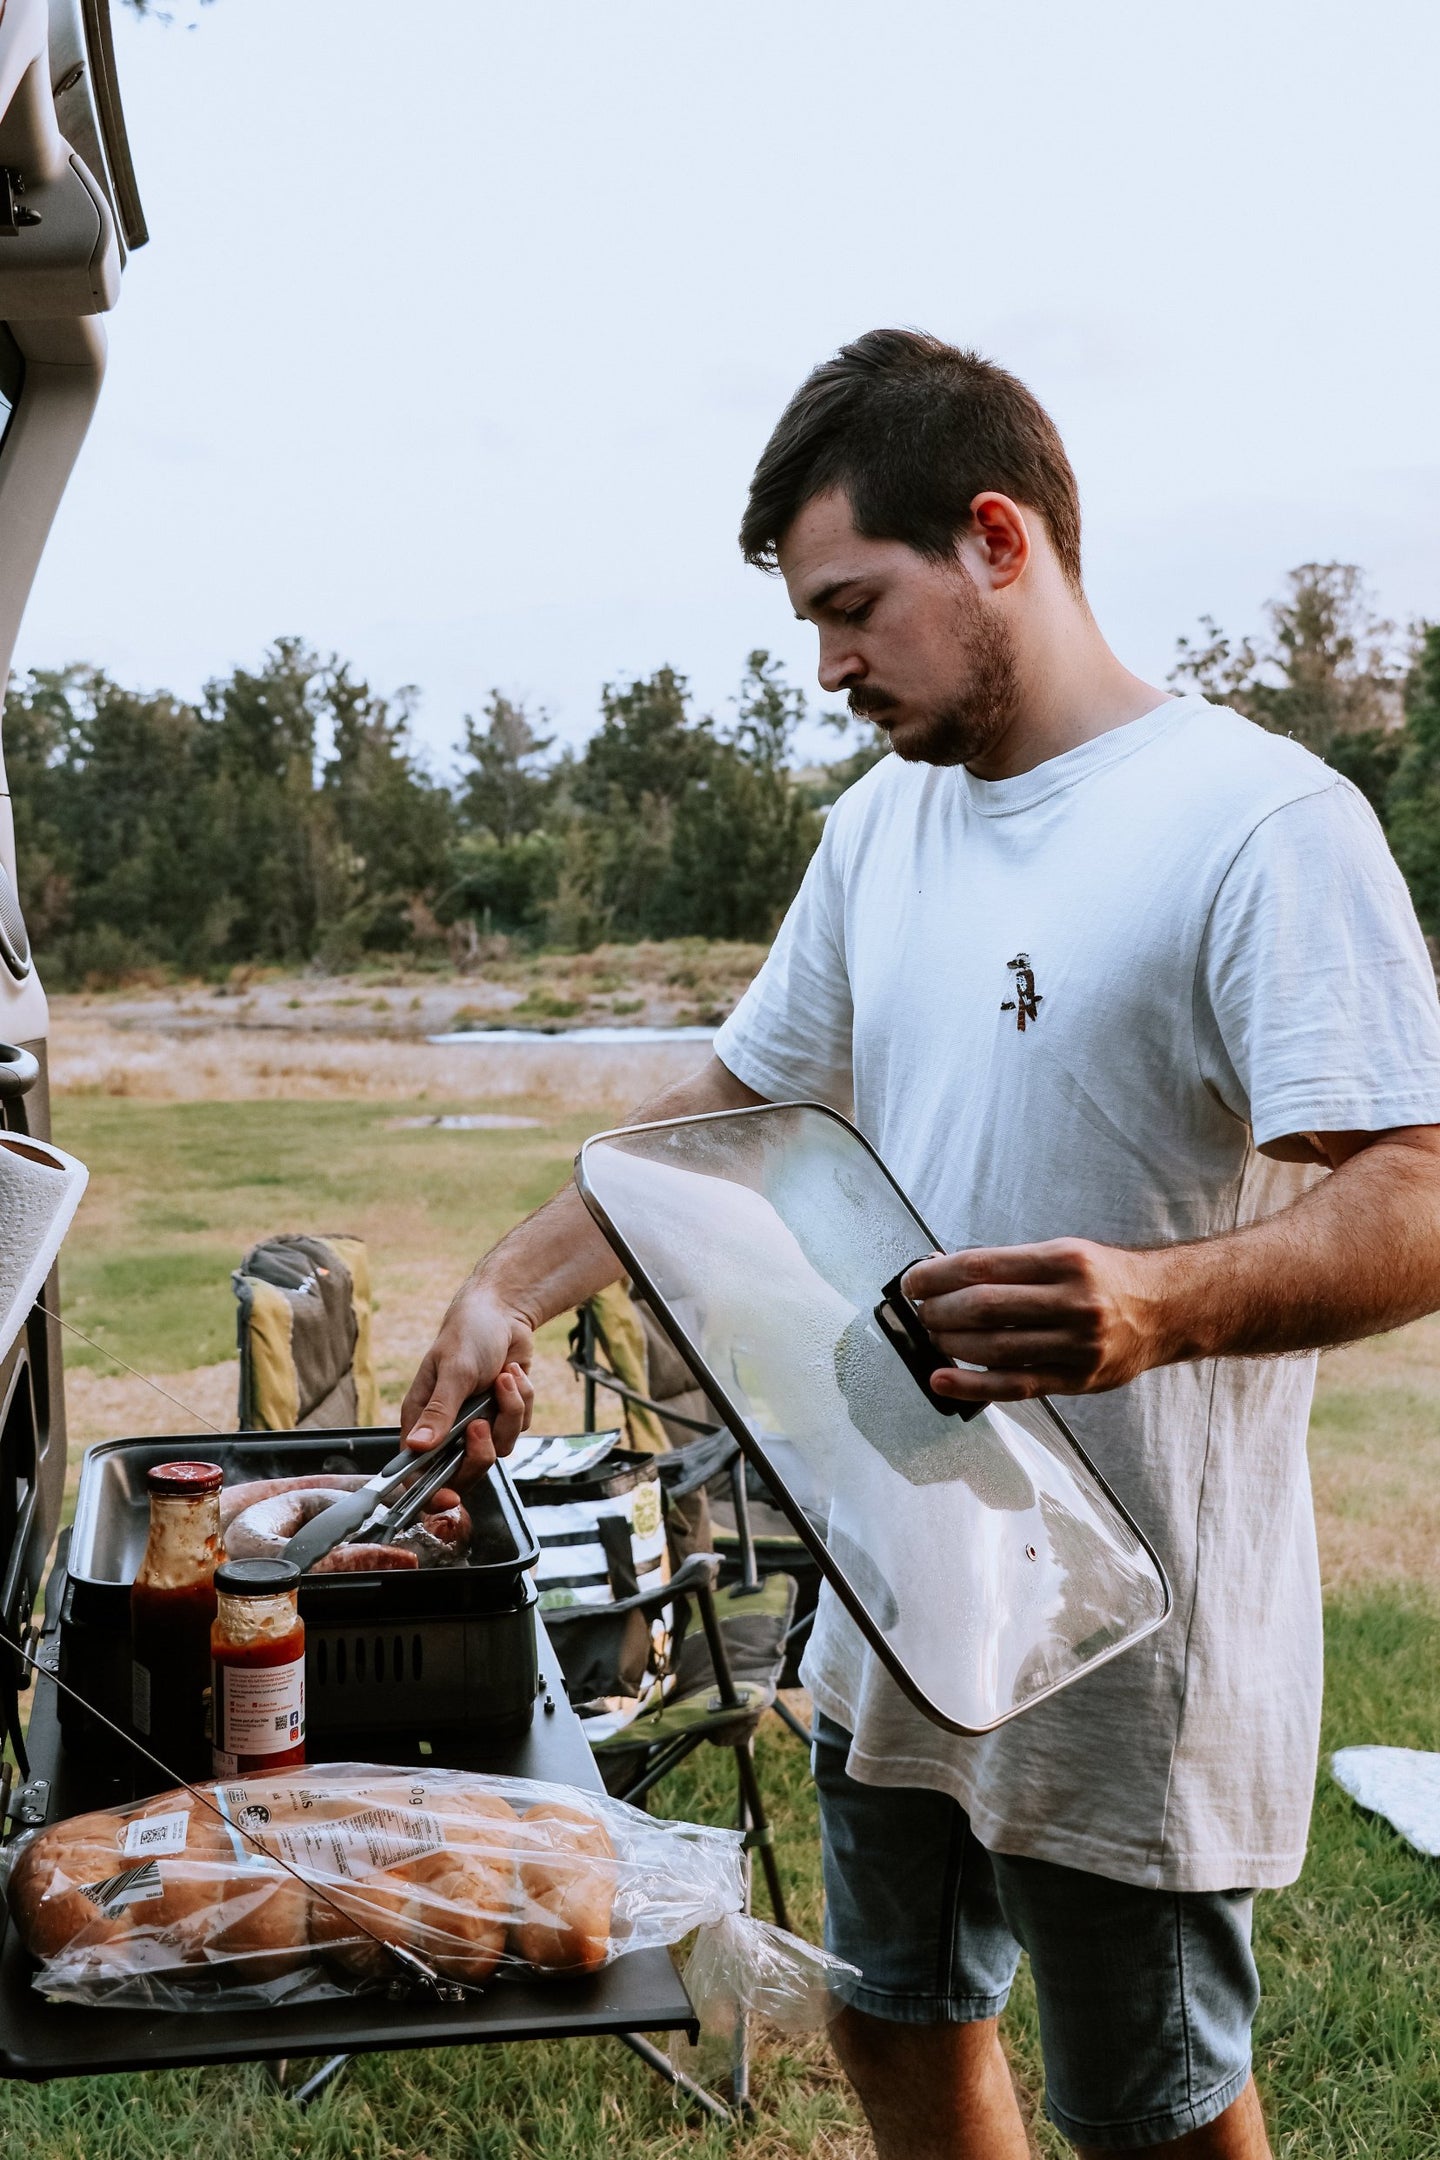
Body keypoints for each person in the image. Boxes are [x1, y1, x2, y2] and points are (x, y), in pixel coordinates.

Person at [401, 330, 1440, 2158]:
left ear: (996, 538)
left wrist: (1158, 1306)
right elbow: (719, 1120)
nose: (829, 667)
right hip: (893, 1594)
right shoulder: (882, 830)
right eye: (812, 622)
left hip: (1127, 1634)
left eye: (853, 607)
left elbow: (1416, 1188)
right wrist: (508, 1285)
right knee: (894, 2022)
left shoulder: (1261, 824)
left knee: (1154, 2111)